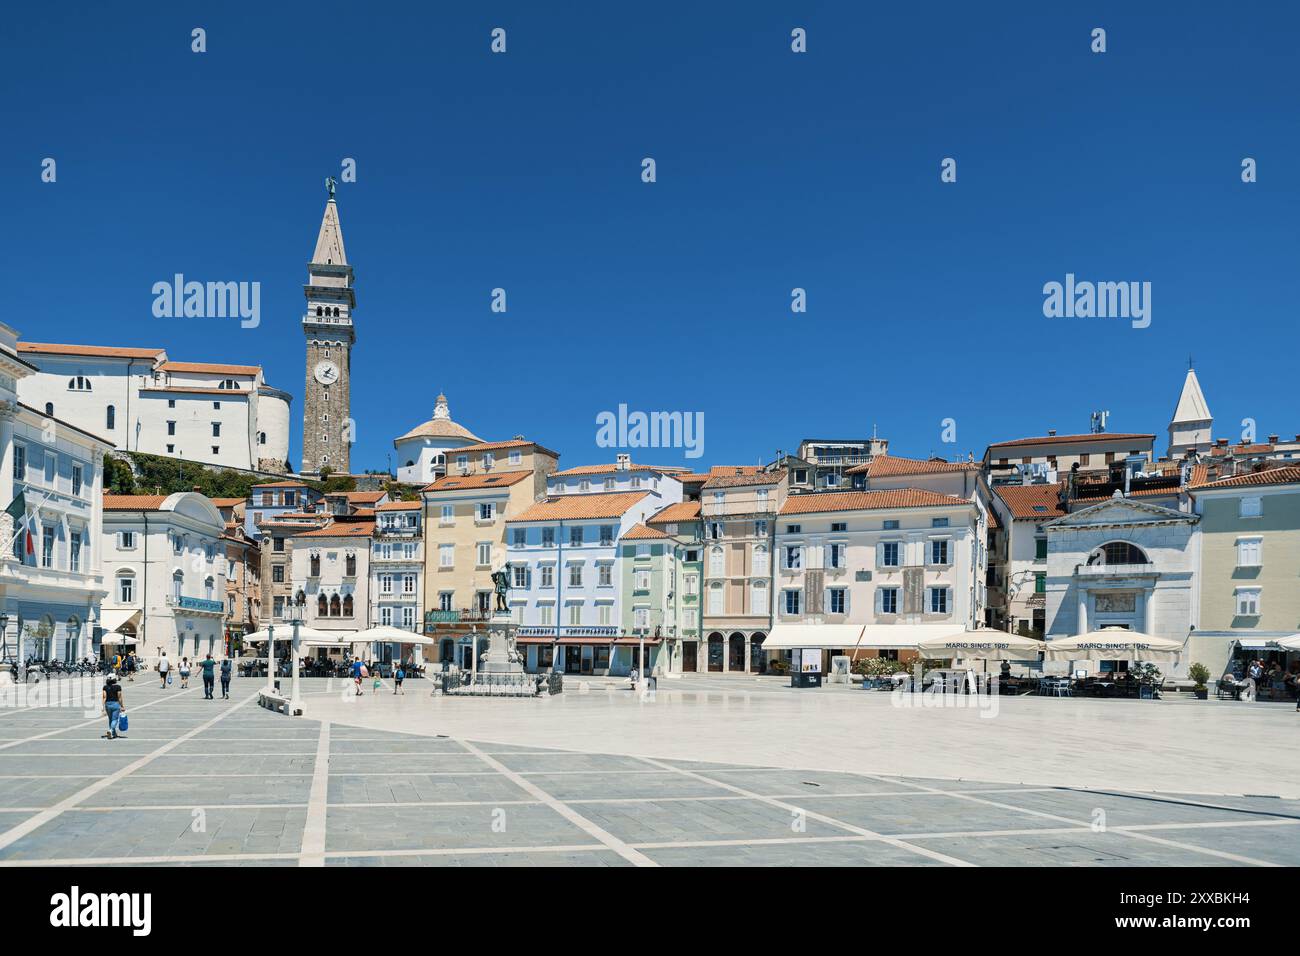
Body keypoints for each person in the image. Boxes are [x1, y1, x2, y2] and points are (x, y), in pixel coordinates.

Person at [102, 675, 125, 740]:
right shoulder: (118, 687)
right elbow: (119, 697)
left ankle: (113, 733)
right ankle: (111, 730)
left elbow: (104, 697)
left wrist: (102, 707)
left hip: (107, 704)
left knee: (111, 719)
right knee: (115, 720)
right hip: (115, 704)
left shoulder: (105, 687)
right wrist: (122, 706)